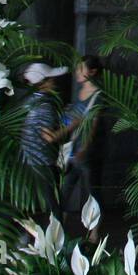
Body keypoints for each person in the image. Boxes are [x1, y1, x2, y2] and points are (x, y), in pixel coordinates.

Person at [43, 55, 108, 241]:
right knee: (64, 192)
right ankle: (57, 229)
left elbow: (92, 125)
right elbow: (71, 119)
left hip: (89, 153)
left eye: (81, 69)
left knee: (92, 193)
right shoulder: (79, 93)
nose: (78, 73)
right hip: (73, 150)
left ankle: (94, 233)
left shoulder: (98, 96)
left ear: (92, 72)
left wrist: (84, 149)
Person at [18, 62, 67, 213]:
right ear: (42, 84)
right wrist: (73, 123)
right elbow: (49, 136)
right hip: (43, 160)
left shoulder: (29, 101)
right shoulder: (45, 104)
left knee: (28, 203)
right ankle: (58, 234)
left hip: (27, 158)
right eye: (50, 79)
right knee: (53, 203)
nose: (54, 81)